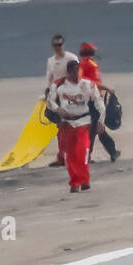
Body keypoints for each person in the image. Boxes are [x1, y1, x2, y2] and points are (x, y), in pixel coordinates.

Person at [47, 59, 104, 193]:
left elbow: (99, 102)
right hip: (66, 124)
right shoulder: (59, 86)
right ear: (69, 72)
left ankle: (83, 180)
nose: (76, 74)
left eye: (78, 71)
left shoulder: (88, 85)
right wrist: (59, 109)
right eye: (73, 72)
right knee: (70, 155)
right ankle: (75, 181)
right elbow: (50, 102)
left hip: (84, 121)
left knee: (82, 150)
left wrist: (101, 121)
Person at [78, 42, 119, 162]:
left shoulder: (81, 65)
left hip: (86, 100)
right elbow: (93, 83)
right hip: (94, 100)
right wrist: (107, 89)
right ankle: (108, 152)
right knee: (96, 129)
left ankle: (112, 152)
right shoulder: (91, 65)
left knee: (96, 129)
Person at [45, 34, 78, 167]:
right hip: (58, 95)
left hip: (71, 95)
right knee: (61, 127)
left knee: (74, 126)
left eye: (60, 45)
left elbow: (78, 74)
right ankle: (62, 156)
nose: (58, 48)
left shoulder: (71, 58)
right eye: (56, 45)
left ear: (63, 45)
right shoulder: (51, 61)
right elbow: (49, 78)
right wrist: (47, 92)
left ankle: (76, 154)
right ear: (53, 46)